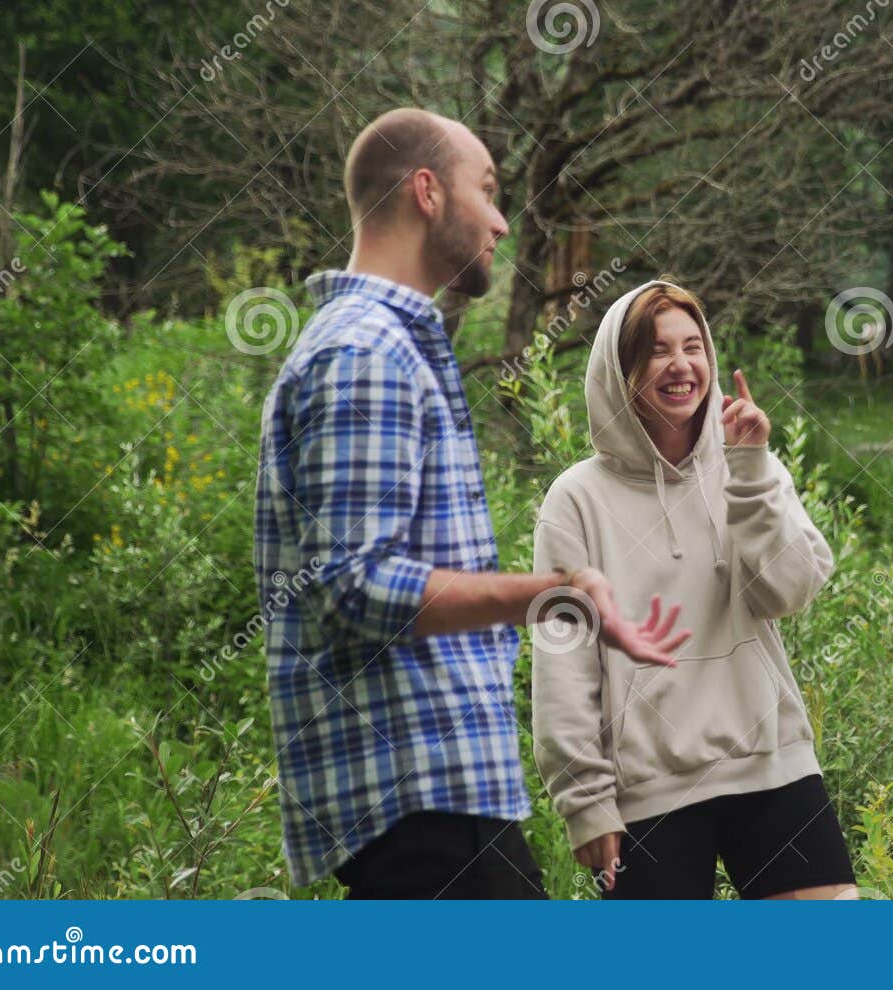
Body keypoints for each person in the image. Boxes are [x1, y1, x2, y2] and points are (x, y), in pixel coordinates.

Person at [253, 109, 690, 899]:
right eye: (486, 191)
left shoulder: (387, 345)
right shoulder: (366, 355)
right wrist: (556, 591)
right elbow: (354, 583)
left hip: (437, 800)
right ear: (426, 192)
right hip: (419, 800)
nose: (500, 221)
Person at [531, 280, 857, 899]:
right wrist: (582, 798)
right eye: (657, 351)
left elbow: (789, 591)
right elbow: (563, 662)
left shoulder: (748, 463)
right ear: (620, 371)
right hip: (649, 788)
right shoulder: (574, 499)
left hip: (772, 765)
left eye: (693, 346)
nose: (682, 366)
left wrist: (753, 468)